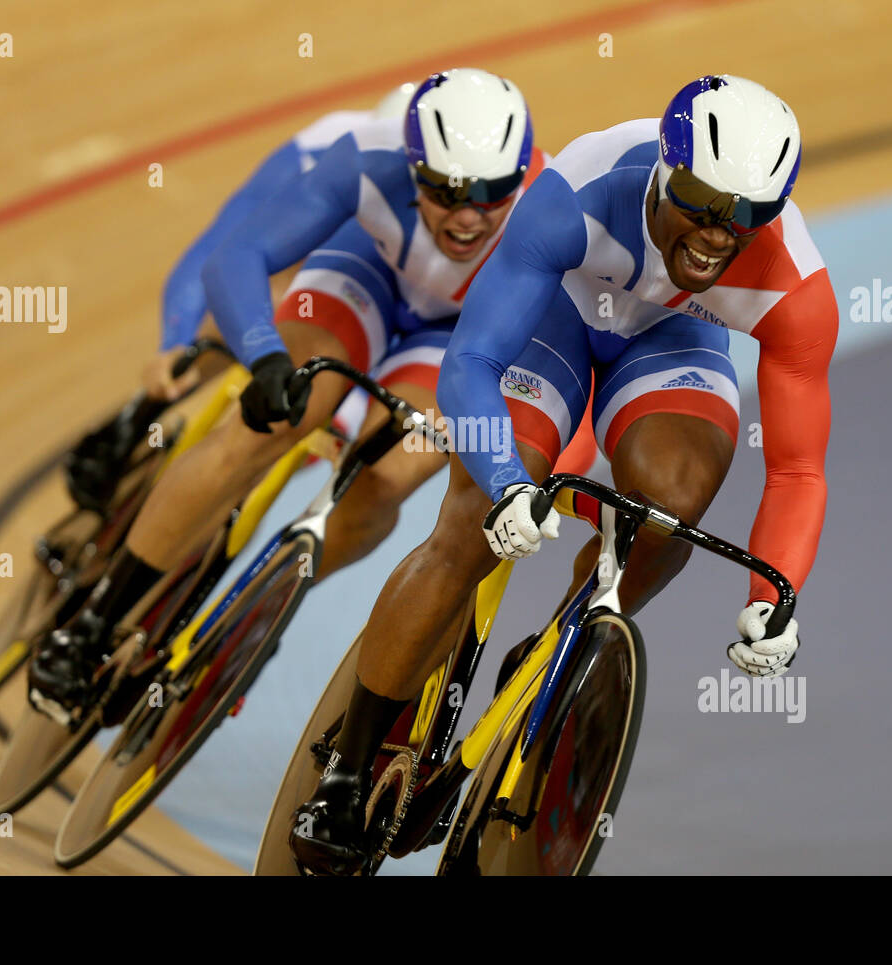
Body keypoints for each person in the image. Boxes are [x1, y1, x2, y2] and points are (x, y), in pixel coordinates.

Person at [289, 74, 840, 875]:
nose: (719, 233)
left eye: (749, 212)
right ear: (664, 171)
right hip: (557, 318)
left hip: (672, 344)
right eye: (699, 201)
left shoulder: (797, 287)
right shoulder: (582, 191)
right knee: (471, 525)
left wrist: (775, 594)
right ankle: (346, 770)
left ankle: (558, 647)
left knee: (669, 511)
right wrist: (506, 480)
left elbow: (797, 470)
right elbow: (470, 362)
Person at [28, 68, 572, 724]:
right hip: (362, 281)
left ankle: (263, 610)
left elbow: (566, 360)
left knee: (384, 481)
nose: (468, 215)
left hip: (456, 338)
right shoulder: (366, 156)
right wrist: (263, 358)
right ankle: (92, 625)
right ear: (412, 164)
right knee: (276, 418)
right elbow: (237, 256)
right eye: (448, 190)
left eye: (492, 194)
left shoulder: (554, 206)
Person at [64, 84, 418, 511]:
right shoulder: (328, 146)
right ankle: (148, 409)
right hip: (319, 280)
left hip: (392, 301)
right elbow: (218, 247)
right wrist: (174, 343)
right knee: (265, 282)